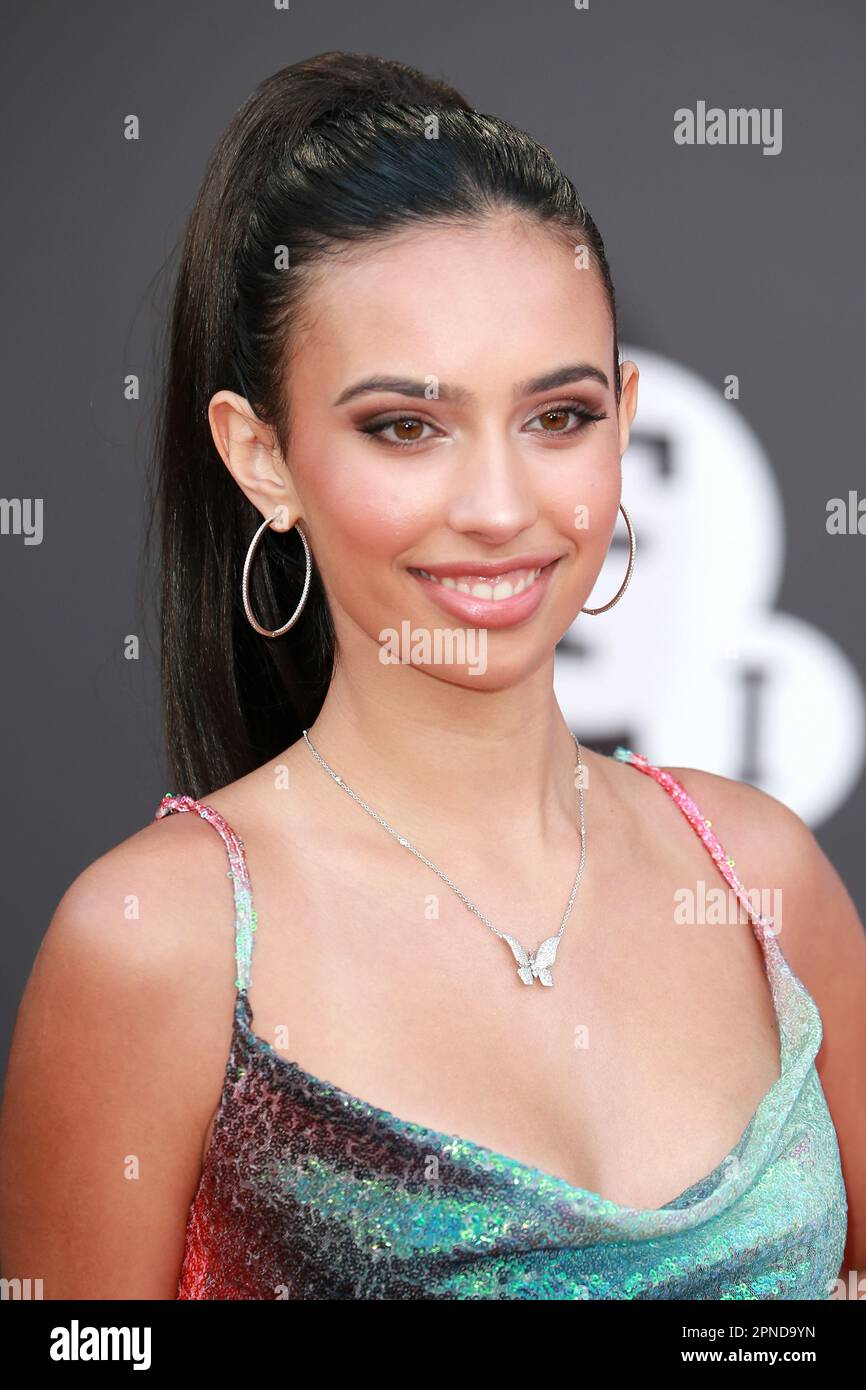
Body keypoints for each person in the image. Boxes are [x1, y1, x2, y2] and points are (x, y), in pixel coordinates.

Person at [0, 50, 863, 1301]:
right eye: (404, 426)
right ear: (263, 458)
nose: (501, 506)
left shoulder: (760, 881)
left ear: (623, 420)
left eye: (558, 416)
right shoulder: (158, 948)